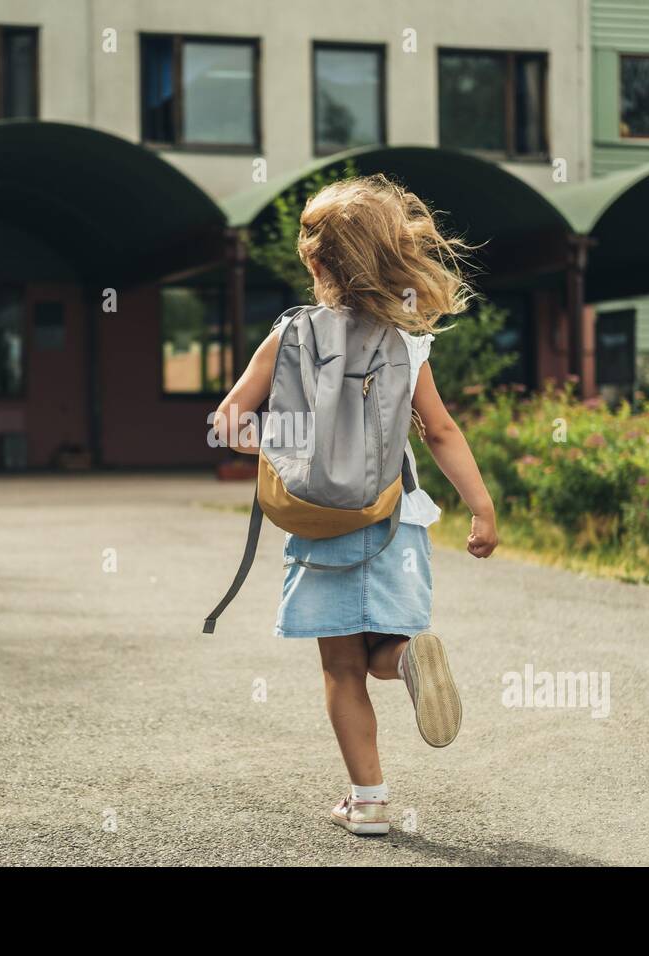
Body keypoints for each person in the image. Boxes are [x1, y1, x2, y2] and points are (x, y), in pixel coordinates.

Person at [212, 174, 500, 836]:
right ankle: (405, 658)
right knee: (383, 643)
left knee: (342, 668)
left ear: (315, 262)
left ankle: (367, 801)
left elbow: (228, 422)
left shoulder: (288, 337)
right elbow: (442, 431)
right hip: (394, 521)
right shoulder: (408, 342)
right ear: (390, 258)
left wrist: (290, 447)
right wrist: (481, 508)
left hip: (319, 527)